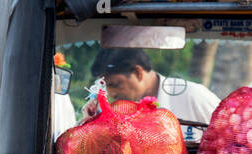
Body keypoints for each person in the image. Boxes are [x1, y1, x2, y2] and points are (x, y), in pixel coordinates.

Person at [90, 47, 219, 140]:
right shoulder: (122, 113)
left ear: (137, 73)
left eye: (116, 85)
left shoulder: (193, 96)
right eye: (107, 87)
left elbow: (227, 138)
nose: (112, 94)